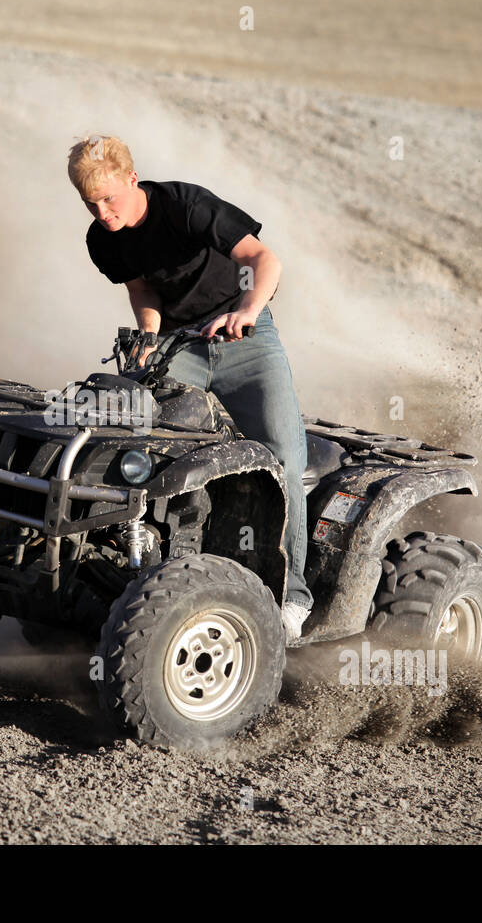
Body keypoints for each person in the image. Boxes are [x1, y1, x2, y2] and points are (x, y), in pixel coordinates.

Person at [67, 134, 313, 644]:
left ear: (132, 180)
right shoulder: (101, 239)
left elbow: (264, 258)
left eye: (110, 197)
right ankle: (151, 577)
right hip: (181, 346)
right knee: (147, 451)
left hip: (247, 340)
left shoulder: (185, 205)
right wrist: (148, 339)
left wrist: (245, 311)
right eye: (90, 203)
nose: (102, 211)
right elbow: (144, 290)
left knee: (283, 456)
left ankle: (292, 599)